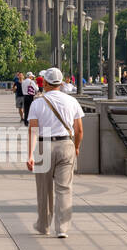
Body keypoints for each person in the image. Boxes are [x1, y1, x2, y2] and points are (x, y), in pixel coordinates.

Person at [26, 66, 85, 239]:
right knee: (64, 188)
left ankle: (43, 226)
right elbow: (79, 130)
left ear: (45, 83)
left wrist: (29, 155)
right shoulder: (72, 101)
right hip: (66, 144)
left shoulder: (37, 103)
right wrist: (76, 146)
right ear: (61, 83)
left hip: (44, 145)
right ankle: (62, 228)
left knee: (43, 189)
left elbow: (33, 130)